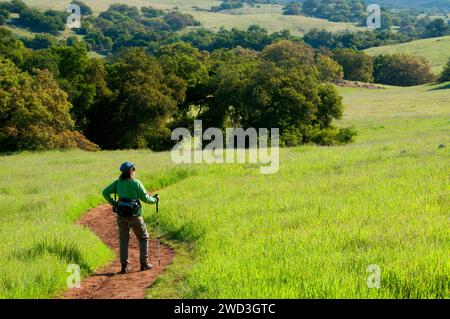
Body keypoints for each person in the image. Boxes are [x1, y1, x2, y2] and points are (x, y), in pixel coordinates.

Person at [102, 162, 159, 274]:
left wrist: (114, 204)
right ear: (131, 170)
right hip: (135, 216)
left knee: (123, 241)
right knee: (143, 238)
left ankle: (124, 266)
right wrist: (155, 200)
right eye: (134, 168)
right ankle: (144, 264)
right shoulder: (136, 183)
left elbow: (105, 192)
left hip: (121, 215)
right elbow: (146, 198)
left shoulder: (117, 183)